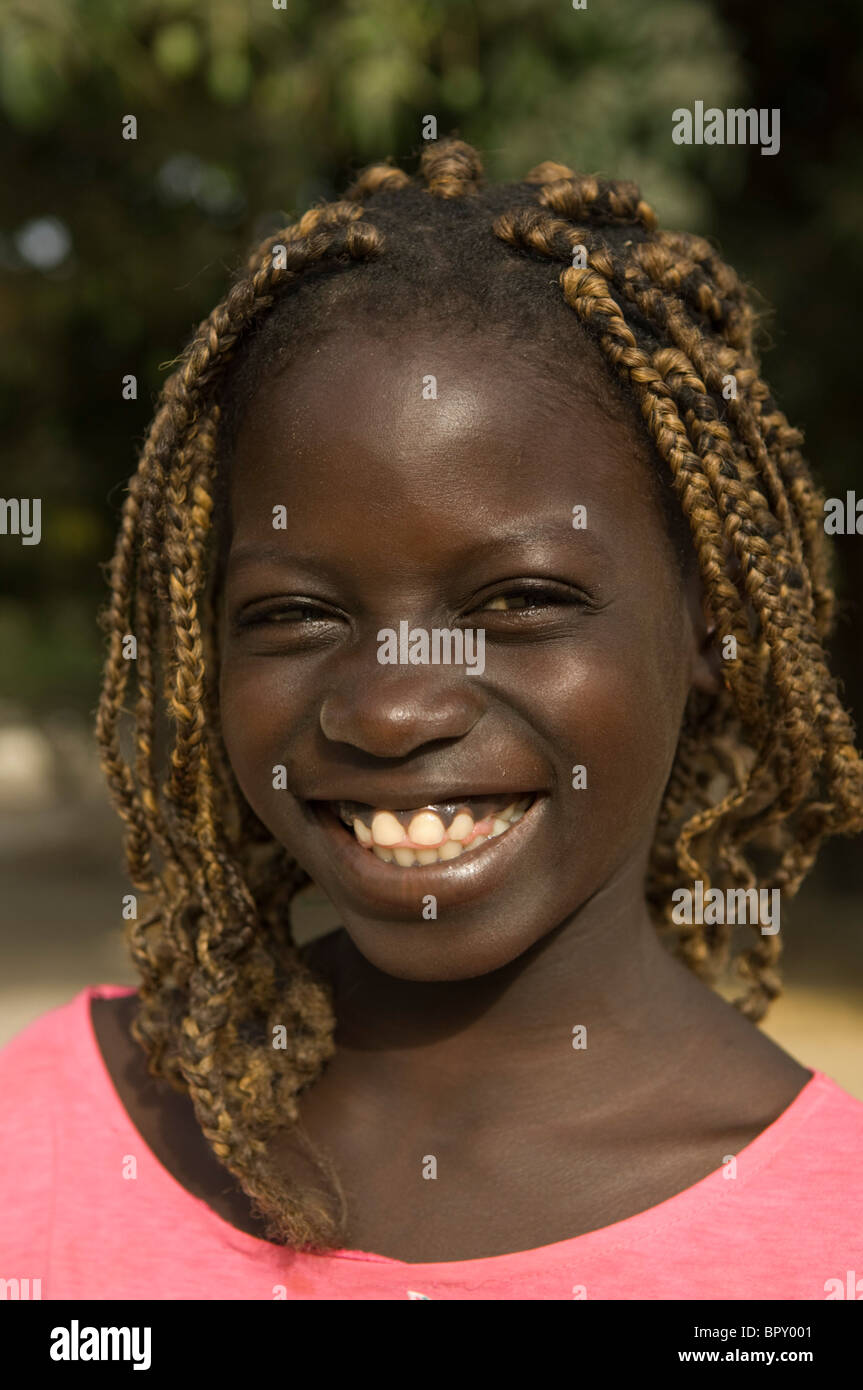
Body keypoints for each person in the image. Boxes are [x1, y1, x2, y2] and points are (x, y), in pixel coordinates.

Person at [2, 139, 862, 1300]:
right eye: (297, 612)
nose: (391, 706)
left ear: (710, 625)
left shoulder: (823, 1249)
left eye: (518, 600)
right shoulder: (42, 1137)